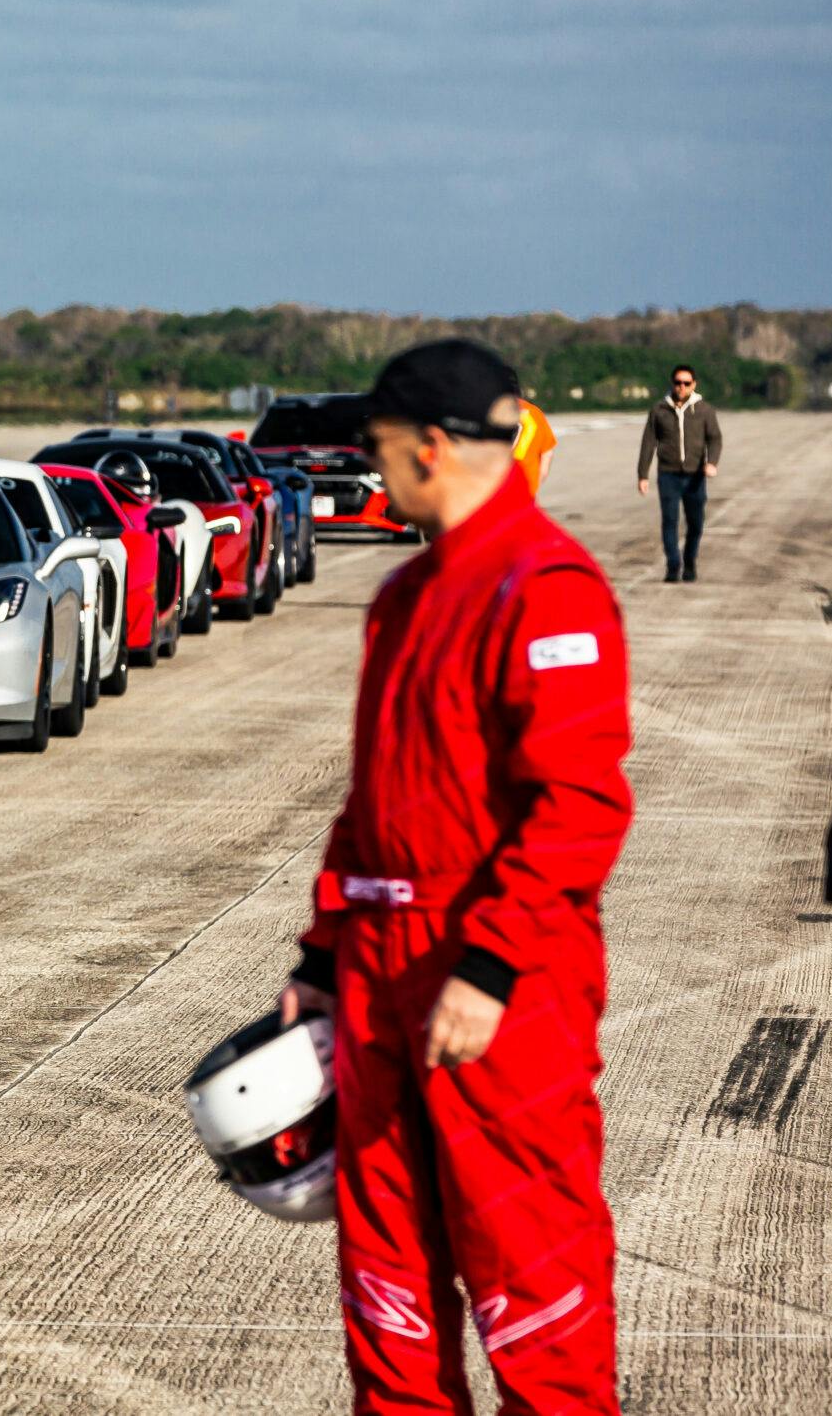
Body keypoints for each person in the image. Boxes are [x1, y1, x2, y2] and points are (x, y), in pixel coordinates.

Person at [282, 338, 633, 1416]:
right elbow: (371, 811)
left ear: (430, 446)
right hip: (379, 979)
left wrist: (487, 964)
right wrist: (318, 958)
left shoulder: (547, 589)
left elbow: (579, 804)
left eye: (380, 451)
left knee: (536, 1297)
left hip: (497, 988)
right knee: (386, 1298)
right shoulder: (402, 598)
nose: (374, 472)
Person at [635, 364, 722, 582]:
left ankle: (690, 561)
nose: (681, 387)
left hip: (695, 476)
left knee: (695, 522)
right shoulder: (659, 410)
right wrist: (643, 475)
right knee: (670, 521)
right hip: (668, 474)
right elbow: (648, 443)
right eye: (677, 383)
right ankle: (673, 565)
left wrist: (711, 462)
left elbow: (715, 438)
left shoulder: (704, 410)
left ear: (694, 384)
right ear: (672, 383)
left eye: (686, 383)